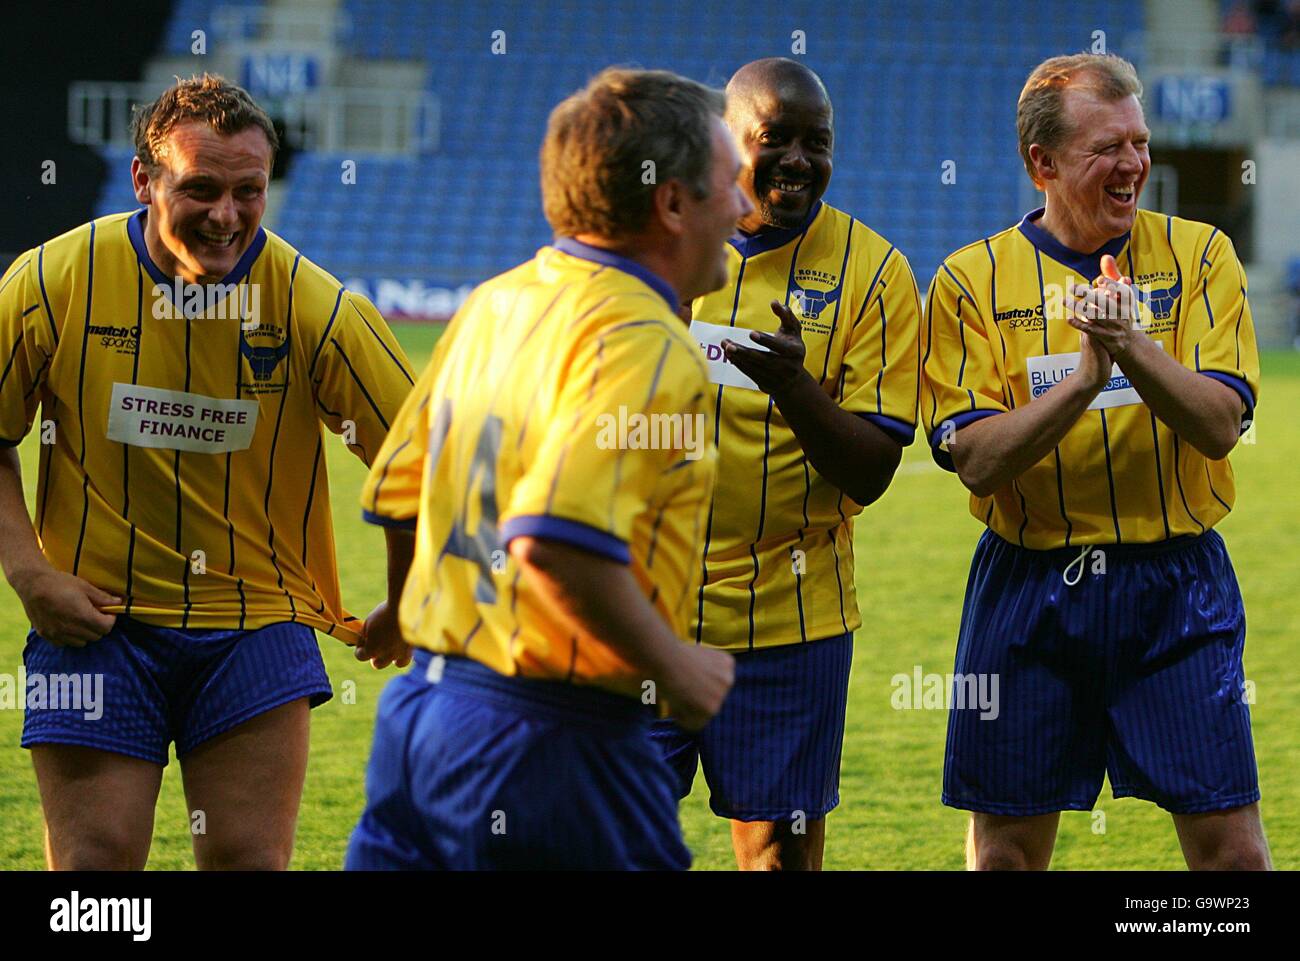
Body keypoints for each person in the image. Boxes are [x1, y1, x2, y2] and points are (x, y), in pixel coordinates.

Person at [0, 74, 416, 870]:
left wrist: (408, 593)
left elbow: (423, 458)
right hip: (93, 624)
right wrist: (27, 571)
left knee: (247, 863)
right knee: (93, 874)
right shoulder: (52, 282)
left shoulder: (313, 305)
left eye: (248, 191)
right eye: (200, 188)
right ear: (143, 179)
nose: (226, 215)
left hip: (257, 626)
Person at [344, 67, 745, 870]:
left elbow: (398, 489)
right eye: (731, 184)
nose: (743, 208)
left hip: (422, 714)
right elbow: (555, 537)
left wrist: (403, 605)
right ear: (671, 203)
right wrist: (681, 668)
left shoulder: (497, 303)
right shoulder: (642, 340)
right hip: (557, 742)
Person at [921, 53, 1271, 870]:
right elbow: (974, 459)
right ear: (1041, 163)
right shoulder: (970, 281)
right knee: (1005, 850)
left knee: (1232, 853)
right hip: (1028, 586)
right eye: (1107, 146)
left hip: (1176, 587)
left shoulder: (1203, 256)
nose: (1134, 164)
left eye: (1139, 142)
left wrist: (1128, 346)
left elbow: (1222, 424)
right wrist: (1085, 380)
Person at [649, 58, 922, 870]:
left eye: (818, 142)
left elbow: (871, 469)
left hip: (791, 619)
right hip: (644, 610)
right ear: (725, 144)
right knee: (611, 837)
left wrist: (794, 385)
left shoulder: (876, 274)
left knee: (777, 855)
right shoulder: (657, 249)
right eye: (776, 139)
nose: (799, 160)